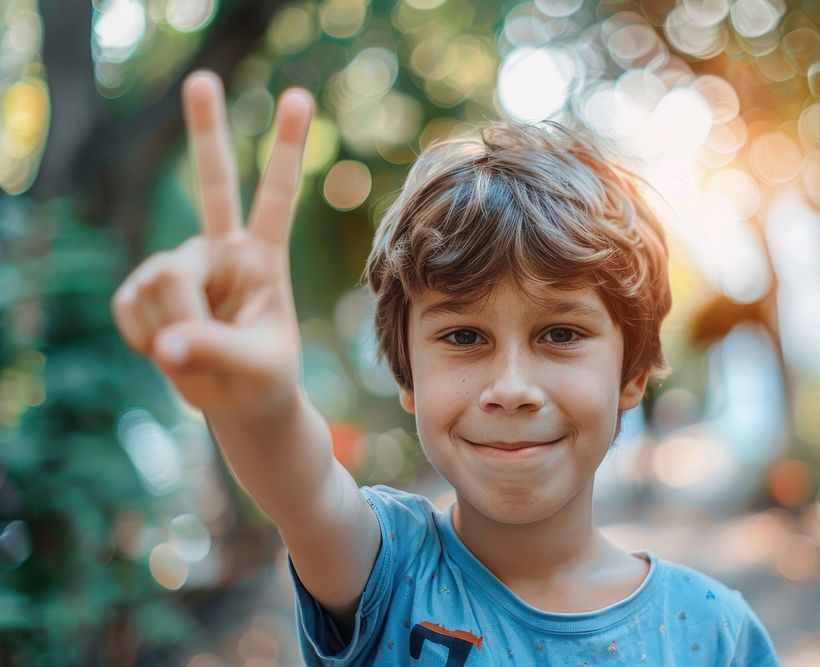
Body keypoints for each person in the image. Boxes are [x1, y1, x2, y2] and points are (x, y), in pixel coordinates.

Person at [111, 70, 779, 666]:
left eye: (560, 333)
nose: (511, 387)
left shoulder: (714, 634)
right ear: (407, 373)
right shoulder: (388, 568)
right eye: (464, 335)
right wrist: (263, 405)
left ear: (632, 372)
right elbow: (304, 488)